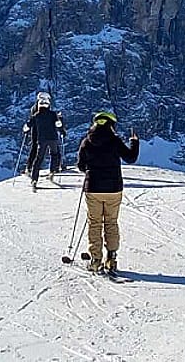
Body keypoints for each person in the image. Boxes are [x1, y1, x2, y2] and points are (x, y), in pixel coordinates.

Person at [77, 111, 139, 274]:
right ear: (111, 125)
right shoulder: (115, 141)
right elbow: (131, 158)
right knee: (111, 222)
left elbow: (81, 166)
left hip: (93, 188)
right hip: (113, 188)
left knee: (94, 222)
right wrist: (134, 142)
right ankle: (111, 259)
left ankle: (95, 259)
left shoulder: (87, 142)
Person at [24, 92, 67, 188]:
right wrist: (62, 131)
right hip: (53, 138)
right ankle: (52, 171)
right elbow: (58, 124)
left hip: (41, 139)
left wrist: (25, 130)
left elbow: (28, 125)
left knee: (39, 158)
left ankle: (34, 179)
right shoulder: (53, 114)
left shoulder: (36, 115)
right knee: (54, 154)